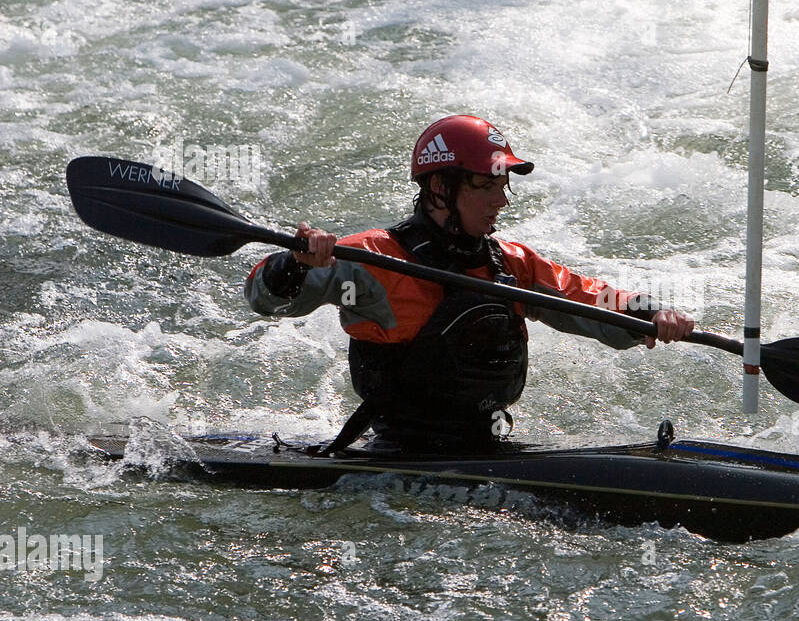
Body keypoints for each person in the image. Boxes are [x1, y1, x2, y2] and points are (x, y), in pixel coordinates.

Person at [245, 114, 694, 452]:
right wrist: (296, 263)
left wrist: (648, 311)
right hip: (402, 451)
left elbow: (585, 296)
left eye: (502, 186)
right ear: (440, 187)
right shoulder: (373, 258)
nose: (501, 200)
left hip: (487, 442)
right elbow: (267, 300)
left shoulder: (510, 264)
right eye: (485, 186)